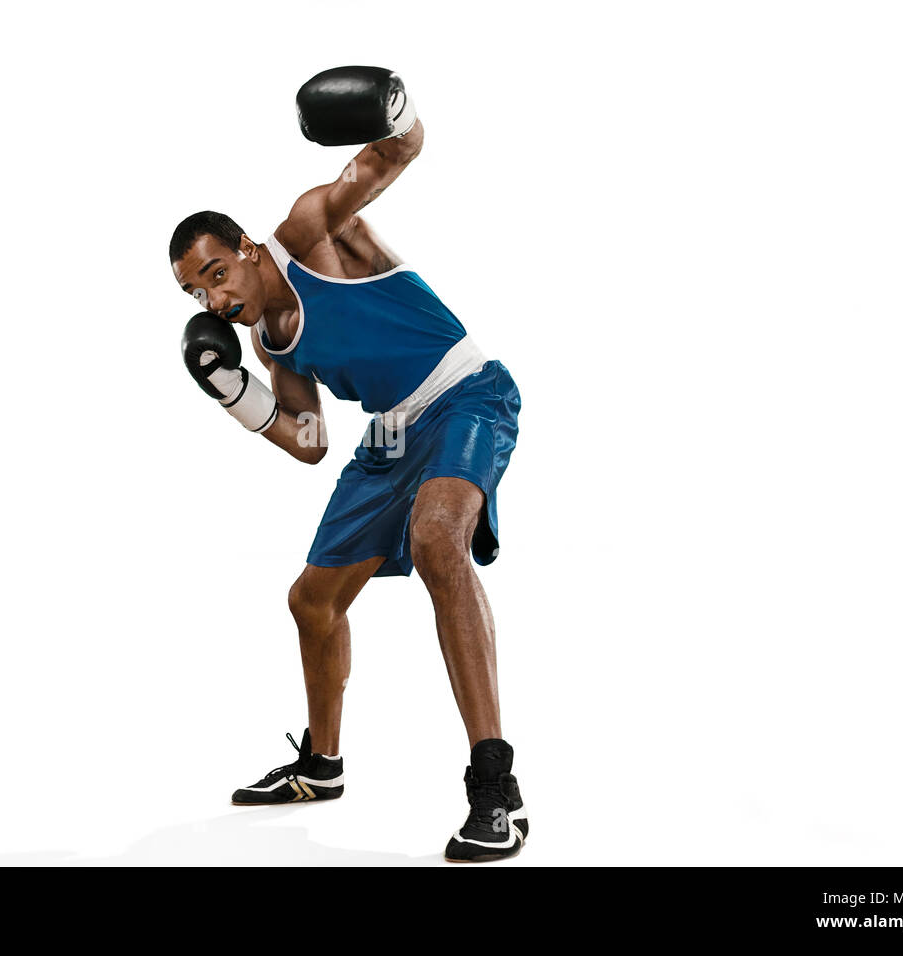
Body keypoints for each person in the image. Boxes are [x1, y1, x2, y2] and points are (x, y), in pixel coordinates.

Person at [171, 67, 527, 863]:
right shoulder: (269, 342)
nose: (215, 302)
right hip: (393, 436)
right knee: (312, 600)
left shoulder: (309, 234)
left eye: (218, 275)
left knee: (440, 542)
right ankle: (322, 766)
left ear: (249, 250)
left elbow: (396, 151)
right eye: (197, 295)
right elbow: (309, 441)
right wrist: (234, 393)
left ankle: (495, 785)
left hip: (465, 394)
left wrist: (392, 110)